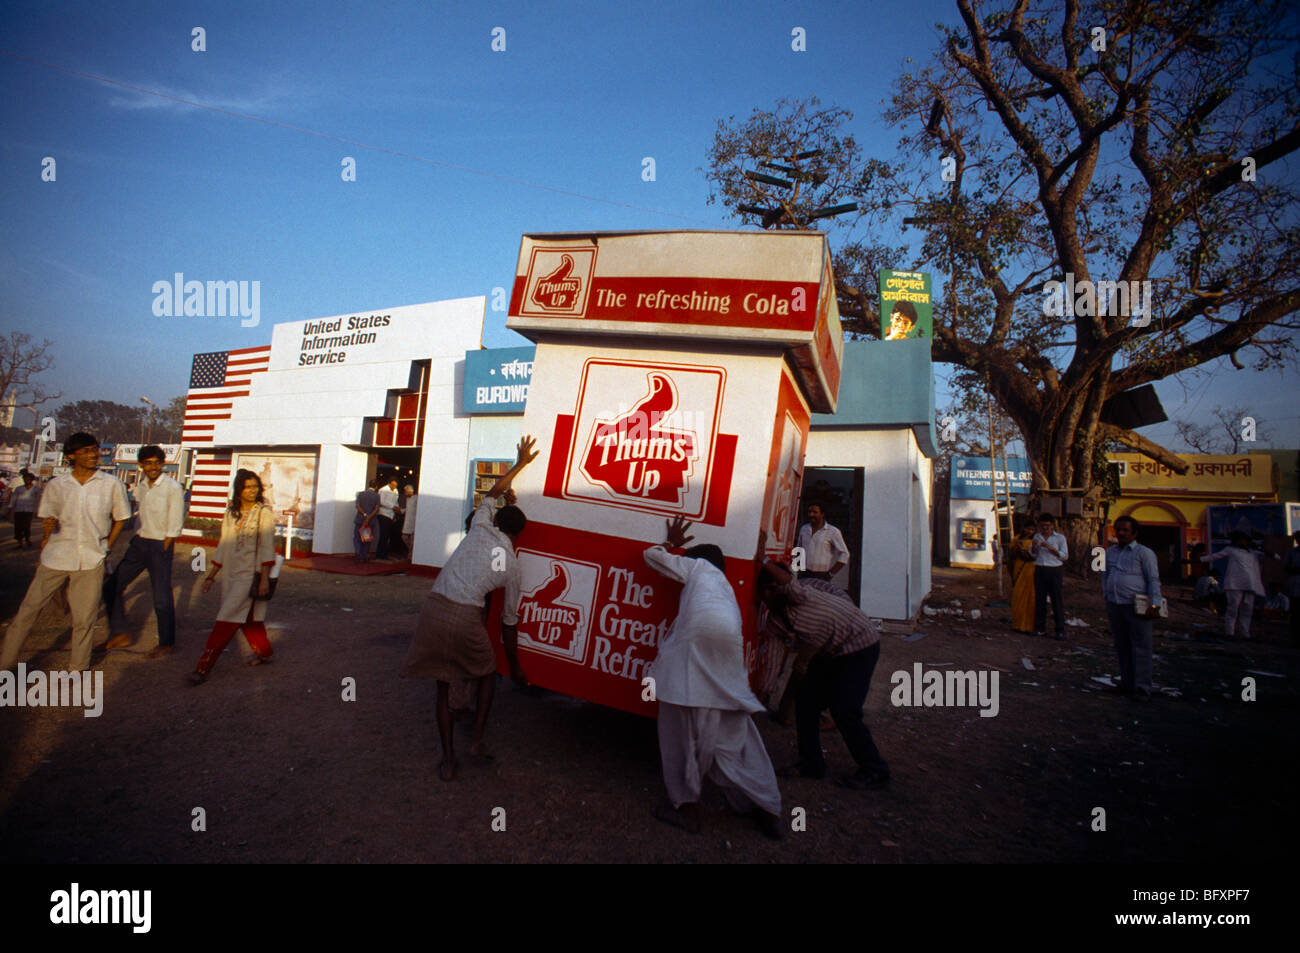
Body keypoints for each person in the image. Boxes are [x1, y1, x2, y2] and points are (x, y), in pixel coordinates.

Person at [402, 436, 536, 782]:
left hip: (433, 607)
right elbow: (509, 625)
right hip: (465, 616)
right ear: (518, 534)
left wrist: (519, 464)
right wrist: (517, 668)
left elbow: (492, 494)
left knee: (443, 686)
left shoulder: (478, 527)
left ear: (495, 521)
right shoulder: (512, 565)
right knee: (486, 673)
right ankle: (476, 740)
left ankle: (447, 760)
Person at [642, 516, 783, 839]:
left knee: (678, 729)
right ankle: (766, 806)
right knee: (735, 732)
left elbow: (651, 557)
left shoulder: (698, 569)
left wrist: (671, 544)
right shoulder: (726, 590)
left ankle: (686, 808)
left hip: (692, 653)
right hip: (726, 654)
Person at [757, 533, 890, 790]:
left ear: (773, 590)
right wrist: (762, 693)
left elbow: (786, 582)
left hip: (858, 645)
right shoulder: (775, 621)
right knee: (806, 704)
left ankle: (875, 770)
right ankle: (811, 764)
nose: (763, 599)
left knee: (845, 710)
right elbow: (773, 665)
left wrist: (762, 559)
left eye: (765, 592)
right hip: (829, 651)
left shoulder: (800, 593)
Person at [1, 434, 130, 673]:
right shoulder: (56, 485)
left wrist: (106, 547)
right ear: (71, 456)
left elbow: (121, 519)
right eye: (86, 451)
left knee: (84, 619)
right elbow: (49, 520)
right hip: (56, 557)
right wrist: (44, 544)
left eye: (95, 449)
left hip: (91, 559)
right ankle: (4, 666)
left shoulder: (112, 484)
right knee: (26, 613)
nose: (93, 454)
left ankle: (78, 668)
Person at [186, 470, 277, 684]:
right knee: (247, 618)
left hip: (251, 574)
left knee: (227, 617)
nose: (252, 491)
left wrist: (264, 578)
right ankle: (265, 653)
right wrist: (211, 576)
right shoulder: (230, 513)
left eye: (255, 486)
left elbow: (267, 547)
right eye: (247, 487)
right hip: (231, 574)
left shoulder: (264, 513)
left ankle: (203, 667)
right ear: (239, 490)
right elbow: (223, 546)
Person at [103, 446, 185, 658]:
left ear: (163, 464)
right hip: (139, 544)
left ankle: (166, 642)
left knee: (161, 597)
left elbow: (175, 525)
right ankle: (120, 633)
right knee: (111, 586)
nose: (153, 467)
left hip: (160, 545)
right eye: (148, 463)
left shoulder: (172, 487)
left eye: (157, 462)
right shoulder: (141, 487)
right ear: (140, 465)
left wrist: (162, 549)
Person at [1101, 517, 1162, 701]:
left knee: (1141, 647)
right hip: (1115, 604)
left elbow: (1153, 579)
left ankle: (1142, 687)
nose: (1121, 533)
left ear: (1134, 533)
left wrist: (1155, 603)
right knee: (1122, 646)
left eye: (1125, 530)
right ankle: (1127, 683)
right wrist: (1106, 595)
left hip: (1137, 606)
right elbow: (1106, 575)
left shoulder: (1144, 553)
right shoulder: (1110, 552)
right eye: (1118, 530)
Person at [1201, 532, 1266, 639]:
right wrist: (1198, 560)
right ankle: (1230, 633)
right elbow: (1215, 556)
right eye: (1239, 540)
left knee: (1247, 610)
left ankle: (1245, 634)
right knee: (1233, 609)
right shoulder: (1231, 550)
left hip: (1250, 585)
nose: (1241, 542)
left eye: (1243, 540)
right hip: (1234, 584)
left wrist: (1259, 548)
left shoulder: (1254, 553)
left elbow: (1275, 557)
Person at [1031, 513, 1068, 639]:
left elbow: (1064, 556)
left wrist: (1051, 548)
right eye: (1042, 526)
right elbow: (1033, 555)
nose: (1045, 528)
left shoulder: (1060, 538)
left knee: (1056, 600)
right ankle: (1040, 628)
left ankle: (1060, 630)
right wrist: (1034, 547)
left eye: (1047, 526)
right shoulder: (1037, 536)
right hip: (1040, 569)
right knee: (1040, 600)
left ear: (1052, 526)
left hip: (1054, 570)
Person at [794, 503, 850, 583]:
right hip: (803, 574)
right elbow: (798, 549)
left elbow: (845, 554)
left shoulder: (833, 531)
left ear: (822, 514)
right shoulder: (804, 528)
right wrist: (796, 570)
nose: (811, 514)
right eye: (809, 512)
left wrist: (831, 574)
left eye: (815, 512)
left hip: (822, 575)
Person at [1008, 523, 1036, 633]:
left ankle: (1028, 625)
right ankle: (1017, 624)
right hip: (1017, 568)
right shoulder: (1016, 539)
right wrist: (1017, 548)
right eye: (1029, 528)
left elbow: (1032, 557)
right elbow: (1011, 555)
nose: (1030, 531)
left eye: (1033, 529)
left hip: (1029, 569)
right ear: (1024, 528)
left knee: (1030, 596)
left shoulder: (1035, 541)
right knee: (1018, 595)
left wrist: (1022, 550)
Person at [9, 470, 42, 549]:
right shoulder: (18, 489)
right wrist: (10, 508)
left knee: (26, 526)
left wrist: (37, 510)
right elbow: (13, 499)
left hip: (29, 510)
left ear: (31, 480)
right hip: (18, 510)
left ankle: (28, 539)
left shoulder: (36, 489)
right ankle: (19, 542)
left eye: (28, 479)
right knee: (18, 527)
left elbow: (37, 500)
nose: (26, 481)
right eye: (25, 479)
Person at [353, 478, 380, 562]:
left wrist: (364, 514)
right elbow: (376, 509)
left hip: (360, 519)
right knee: (366, 539)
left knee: (357, 537)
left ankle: (357, 551)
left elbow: (357, 506)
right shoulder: (376, 496)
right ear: (376, 487)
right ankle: (363, 556)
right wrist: (369, 517)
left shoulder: (361, 494)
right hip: (369, 521)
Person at [376, 477, 399, 560]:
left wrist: (397, 508)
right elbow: (381, 501)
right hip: (383, 514)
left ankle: (385, 553)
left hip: (391, 515)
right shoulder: (383, 490)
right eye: (393, 485)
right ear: (389, 483)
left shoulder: (396, 491)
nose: (394, 487)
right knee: (383, 535)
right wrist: (393, 507)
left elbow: (396, 501)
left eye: (395, 485)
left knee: (387, 535)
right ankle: (379, 554)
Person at [1285, 531, 1300, 644]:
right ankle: (1294, 638)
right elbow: (1287, 567)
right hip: (1295, 587)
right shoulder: (1292, 552)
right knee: (1295, 613)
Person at [400, 484, 418, 554]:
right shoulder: (407, 499)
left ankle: (410, 555)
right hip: (407, 520)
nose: (405, 493)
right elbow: (408, 509)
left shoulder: (416, 498)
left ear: (410, 491)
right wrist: (401, 510)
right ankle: (411, 552)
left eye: (406, 491)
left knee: (413, 540)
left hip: (414, 520)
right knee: (404, 537)